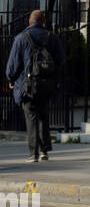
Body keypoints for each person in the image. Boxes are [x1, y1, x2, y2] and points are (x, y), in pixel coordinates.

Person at [6, 9, 65, 162]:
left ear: (29, 22)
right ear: (43, 22)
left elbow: (13, 65)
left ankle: (34, 153)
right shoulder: (52, 37)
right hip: (47, 84)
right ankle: (45, 150)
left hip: (28, 85)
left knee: (31, 117)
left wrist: (11, 80)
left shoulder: (21, 38)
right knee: (44, 116)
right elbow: (61, 62)